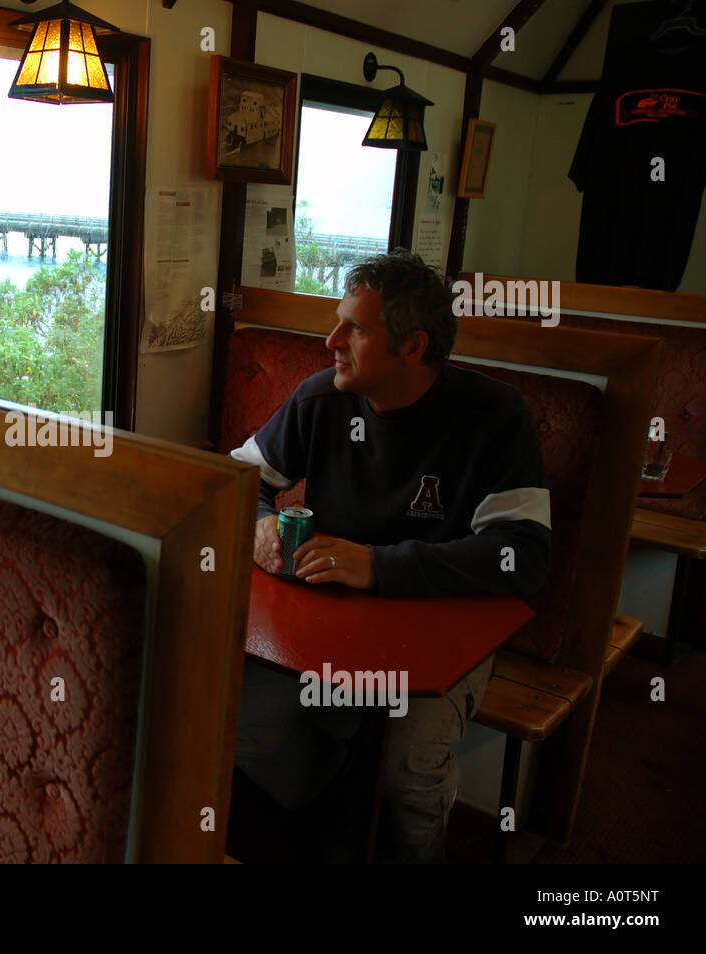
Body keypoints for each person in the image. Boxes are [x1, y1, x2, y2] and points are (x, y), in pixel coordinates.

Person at [229, 250, 551, 862]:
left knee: (409, 767)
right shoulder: (320, 399)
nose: (331, 341)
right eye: (337, 321)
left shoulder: (495, 418)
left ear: (412, 346)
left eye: (355, 328)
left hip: (444, 631)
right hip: (329, 626)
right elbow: (237, 482)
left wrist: (380, 565)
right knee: (249, 726)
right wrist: (262, 523)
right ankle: (340, 814)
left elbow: (523, 556)